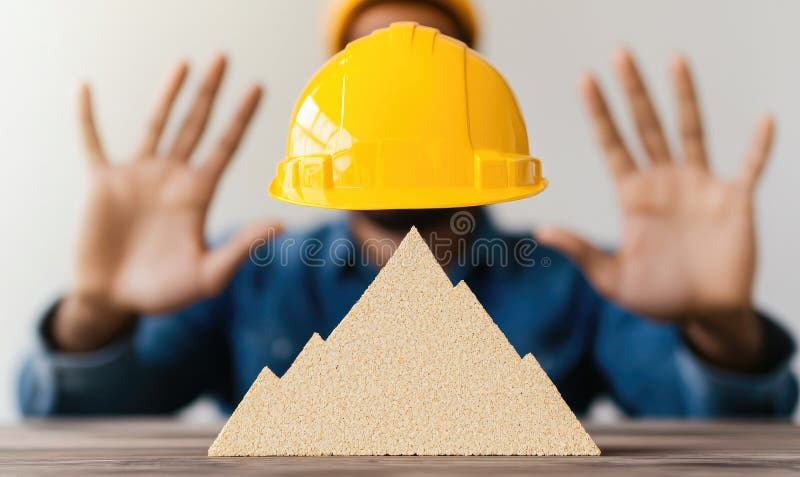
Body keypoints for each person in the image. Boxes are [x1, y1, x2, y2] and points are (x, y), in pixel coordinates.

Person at [18, 0, 796, 417]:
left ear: (481, 105)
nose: (405, 110)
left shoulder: (573, 281)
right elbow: (71, 412)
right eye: (375, 82)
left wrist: (719, 326)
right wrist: (96, 312)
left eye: (432, 83)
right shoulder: (245, 276)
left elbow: (713, 416)